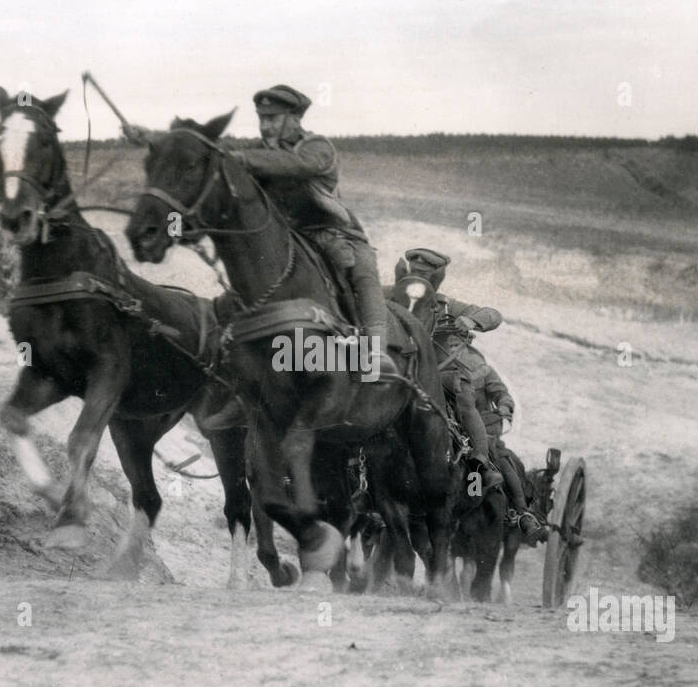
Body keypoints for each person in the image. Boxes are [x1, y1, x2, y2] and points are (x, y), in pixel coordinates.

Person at [125, 84, 397, 377]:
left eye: (273, 118)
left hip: (331, 234)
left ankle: (374, 352)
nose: (265, 126)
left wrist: (238, 159)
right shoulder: (258, 149)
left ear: (294, 118)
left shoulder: (318, 148)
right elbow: (207, 149)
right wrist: (148, 137)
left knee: (363, 273)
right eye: (262, 118)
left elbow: (295, 164)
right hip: (283, 237)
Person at [390, 248, 504, 491]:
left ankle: (481, 462)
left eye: (425, 275)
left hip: (435, 372)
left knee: (463, 394)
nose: (419, 279)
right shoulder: (387, 295)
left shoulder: (447, 306)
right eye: (415, 272)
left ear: (435, 279)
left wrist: (472, 320)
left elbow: (493, 314)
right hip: (394, 367)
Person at [471, 356, 544, 540]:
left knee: (501, 459)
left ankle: (522, 513)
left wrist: (504, 406)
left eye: (456, 343)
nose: (453, 347)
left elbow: (502, 394)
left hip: (484, 431)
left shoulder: (480, 368)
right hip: (451, 430)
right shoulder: (431, 364)